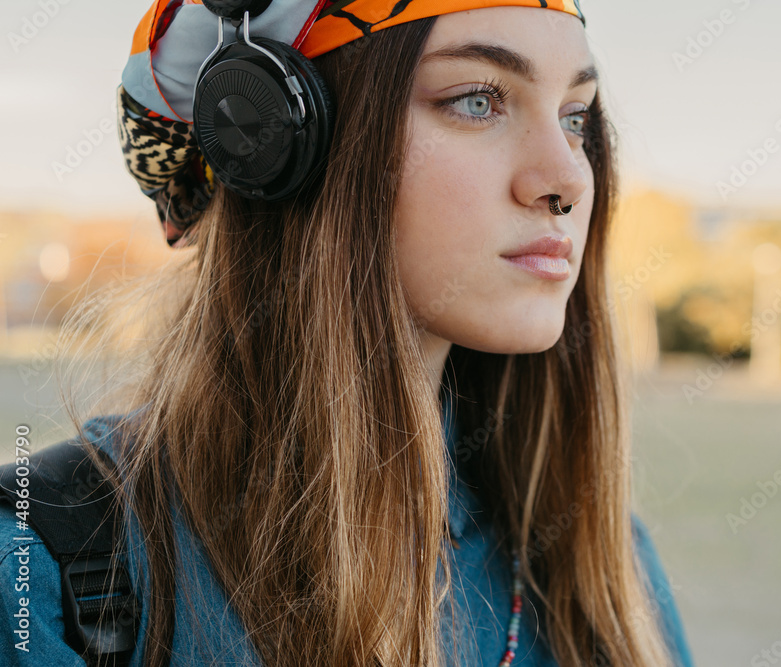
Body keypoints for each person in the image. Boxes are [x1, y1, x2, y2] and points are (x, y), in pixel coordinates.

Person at [0, 1, 695, 665]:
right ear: (274, 139)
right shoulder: (41, 577)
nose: (567, 178)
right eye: (478, 101)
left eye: (576, 116)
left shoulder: (601, 566)